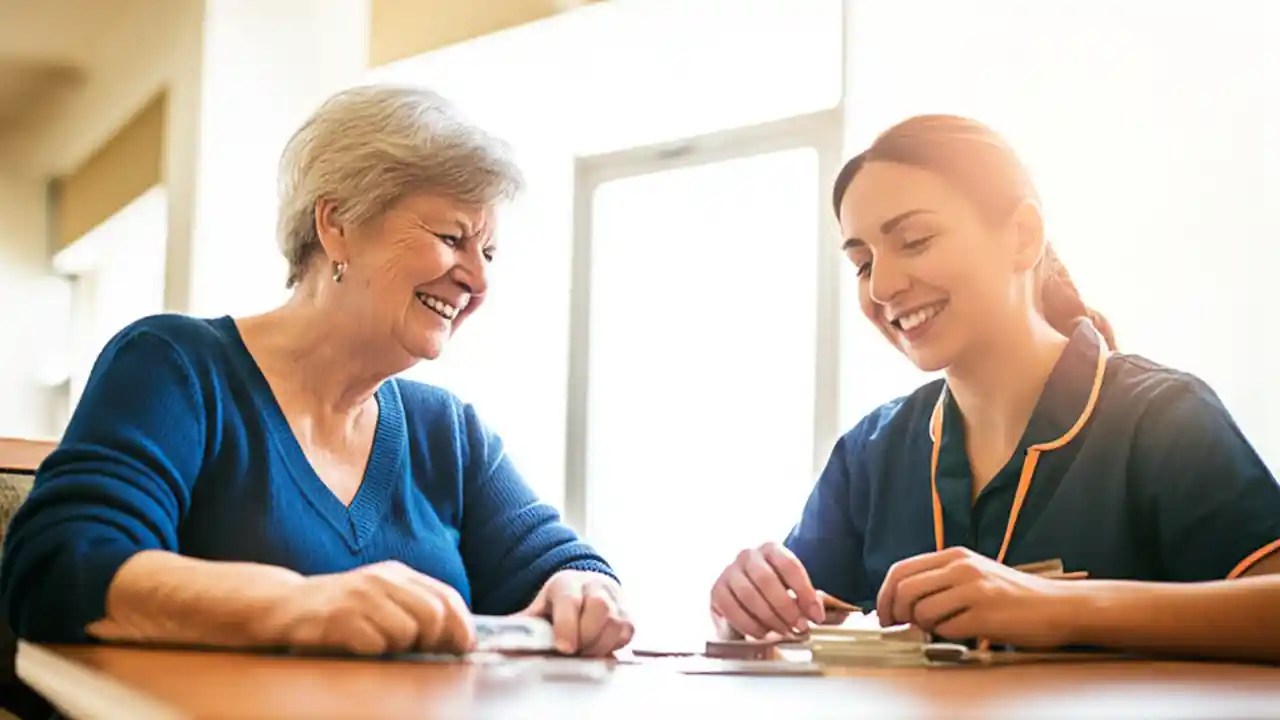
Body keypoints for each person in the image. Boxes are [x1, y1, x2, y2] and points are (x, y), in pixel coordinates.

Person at [0, 85, 632, 658]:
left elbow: (563, 563)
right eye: (451, 237)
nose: (479, 278)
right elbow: (57, 566)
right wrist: (299, 605)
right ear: (337, 225)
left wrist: (584, 589)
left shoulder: (448, 432)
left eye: (488, 251)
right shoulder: (175, 369)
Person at [709, 114, 1280, 662]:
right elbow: (795, 619)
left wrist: (1061, 608)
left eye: (915, 240)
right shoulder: (871, 453)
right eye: (862, 264)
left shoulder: (1162, 419)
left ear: (1022, 236)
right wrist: (747, 612)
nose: (882, 286)